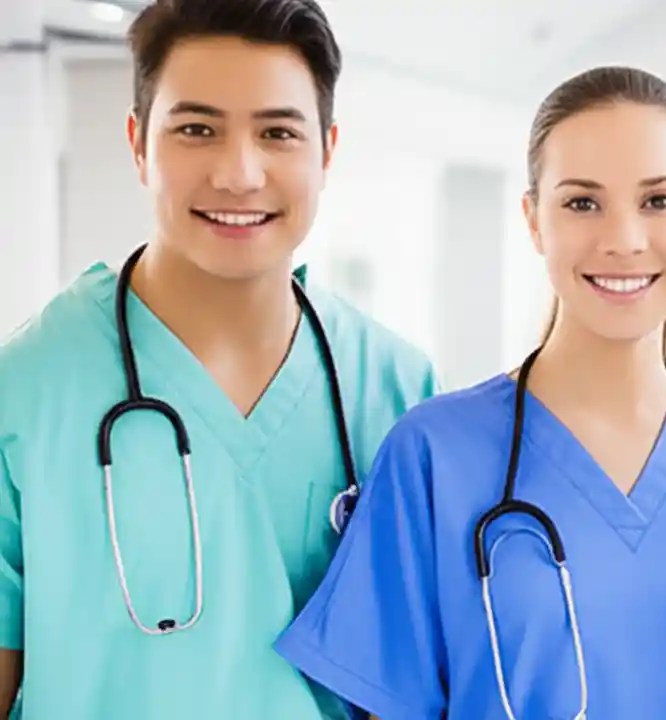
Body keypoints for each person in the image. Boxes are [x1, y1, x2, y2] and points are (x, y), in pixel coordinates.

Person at [274, 65, 666, 719]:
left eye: (658, 201)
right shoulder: (435, 455)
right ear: (533, 220)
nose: (623, 240)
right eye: (583, 202)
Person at [0, 1, 440, 717]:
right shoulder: (26, 389)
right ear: (139, 142)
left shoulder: (399, 391)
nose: (239, 173)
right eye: (197, 129)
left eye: (277, 132)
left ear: (327, 150)